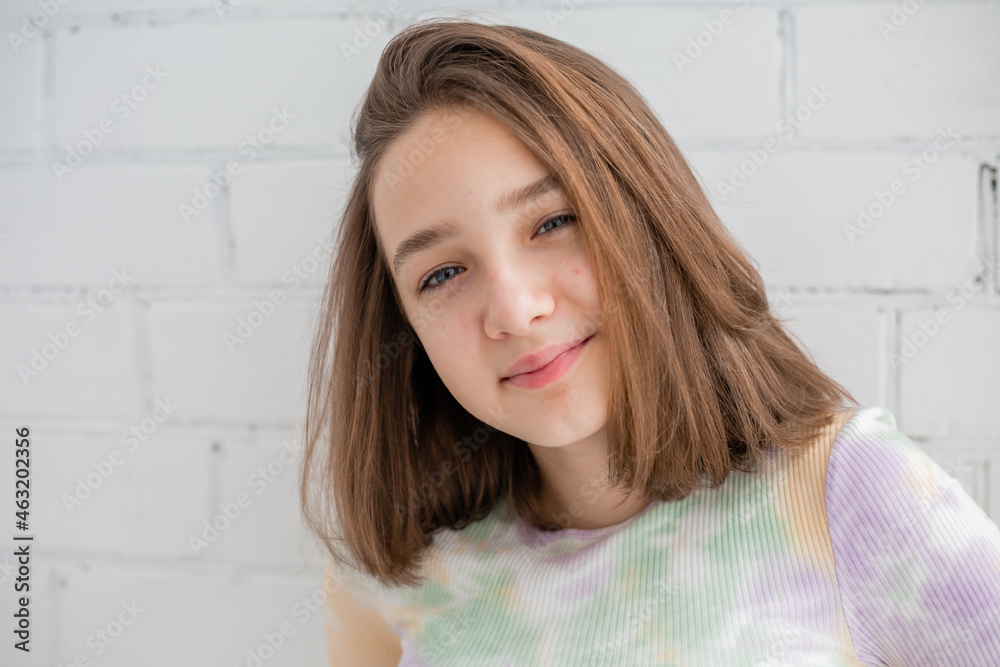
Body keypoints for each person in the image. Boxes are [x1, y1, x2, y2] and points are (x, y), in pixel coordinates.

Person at [298, 17, 1000, 666]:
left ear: (647, 218)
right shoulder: (392, 573)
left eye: (552, 221)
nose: (514, 309)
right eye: (443, 273)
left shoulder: (848, 490)